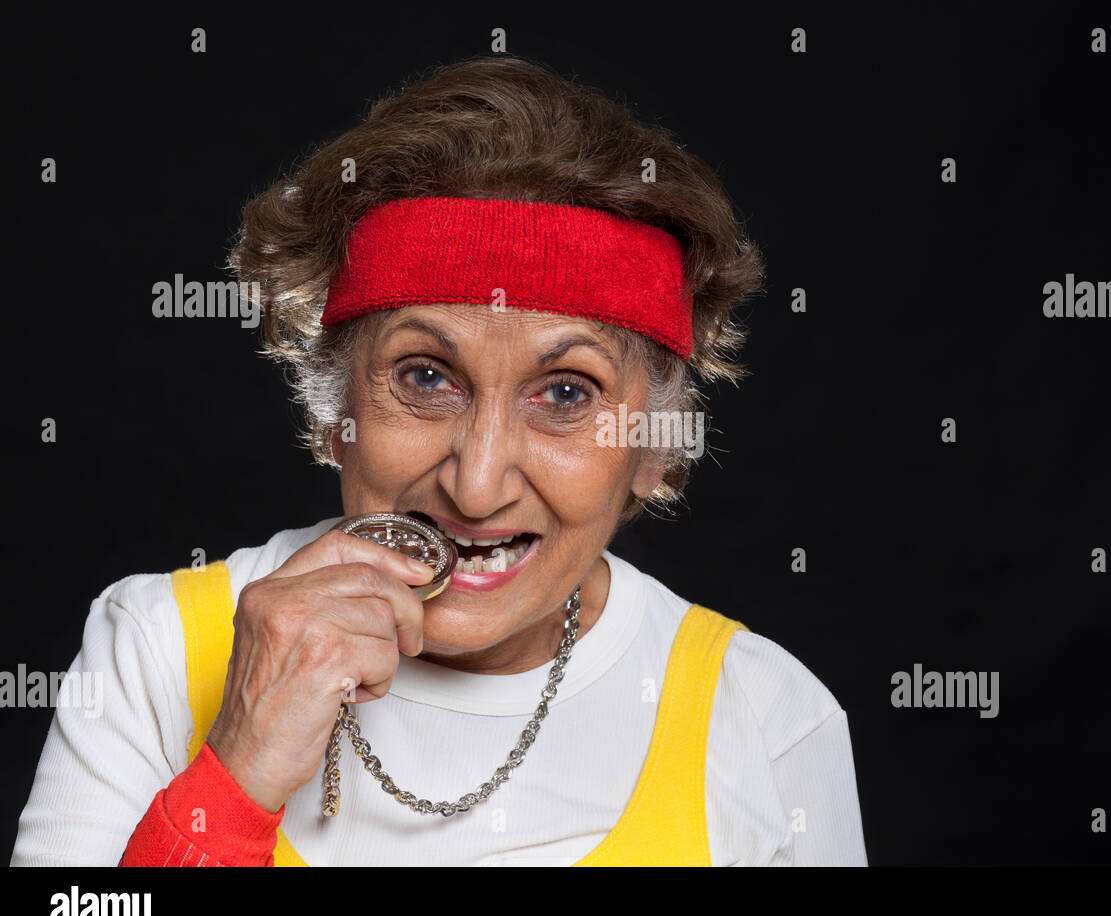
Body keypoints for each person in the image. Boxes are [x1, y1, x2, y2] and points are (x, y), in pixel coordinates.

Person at [11, 55, 868, 866]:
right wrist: (236, 777)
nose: (477, 482)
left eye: (566, 393)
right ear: (334, 407)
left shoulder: (763, 716)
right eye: (426, 377)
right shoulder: (158, 647)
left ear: (653, 447)